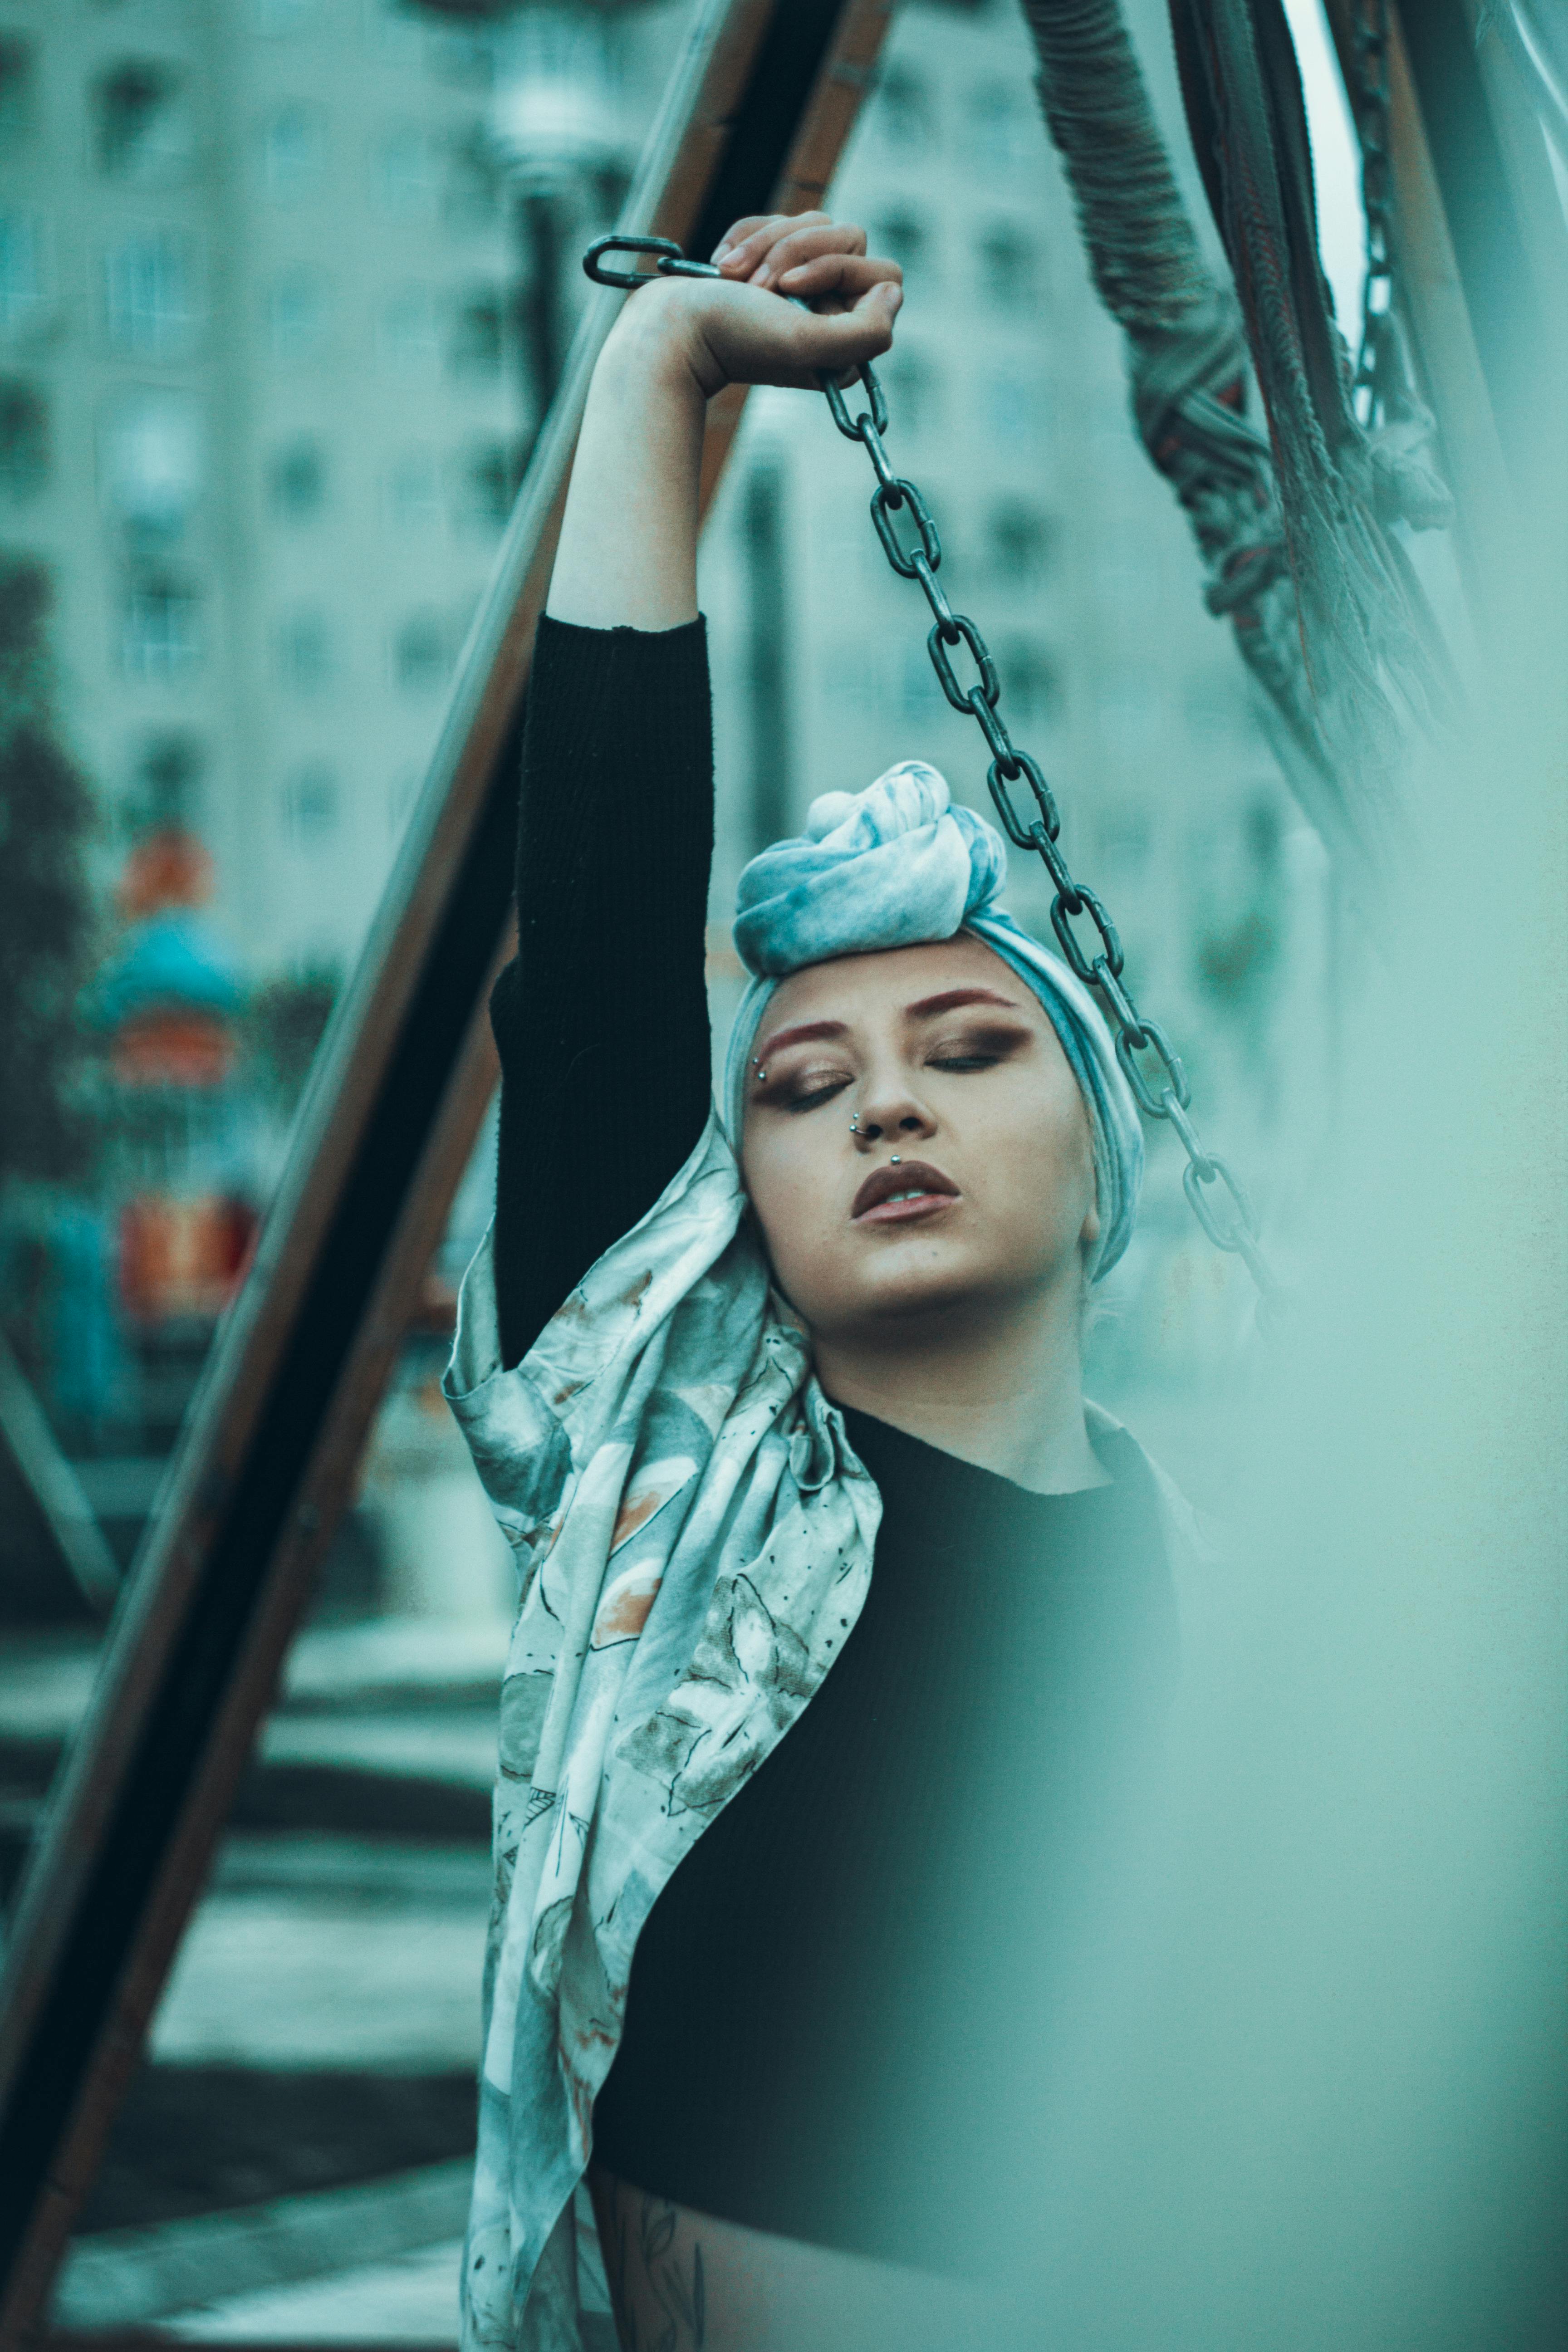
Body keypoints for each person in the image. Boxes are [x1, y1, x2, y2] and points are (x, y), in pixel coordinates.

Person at [445, 212, 1203, 2352]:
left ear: (1100, 1161)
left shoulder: (1242, 1585)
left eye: (971, 1055)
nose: (888, 1107)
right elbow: (592, 977)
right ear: (737, 1200)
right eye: (804, 1084)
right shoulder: (689, 1509)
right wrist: (666, 376)